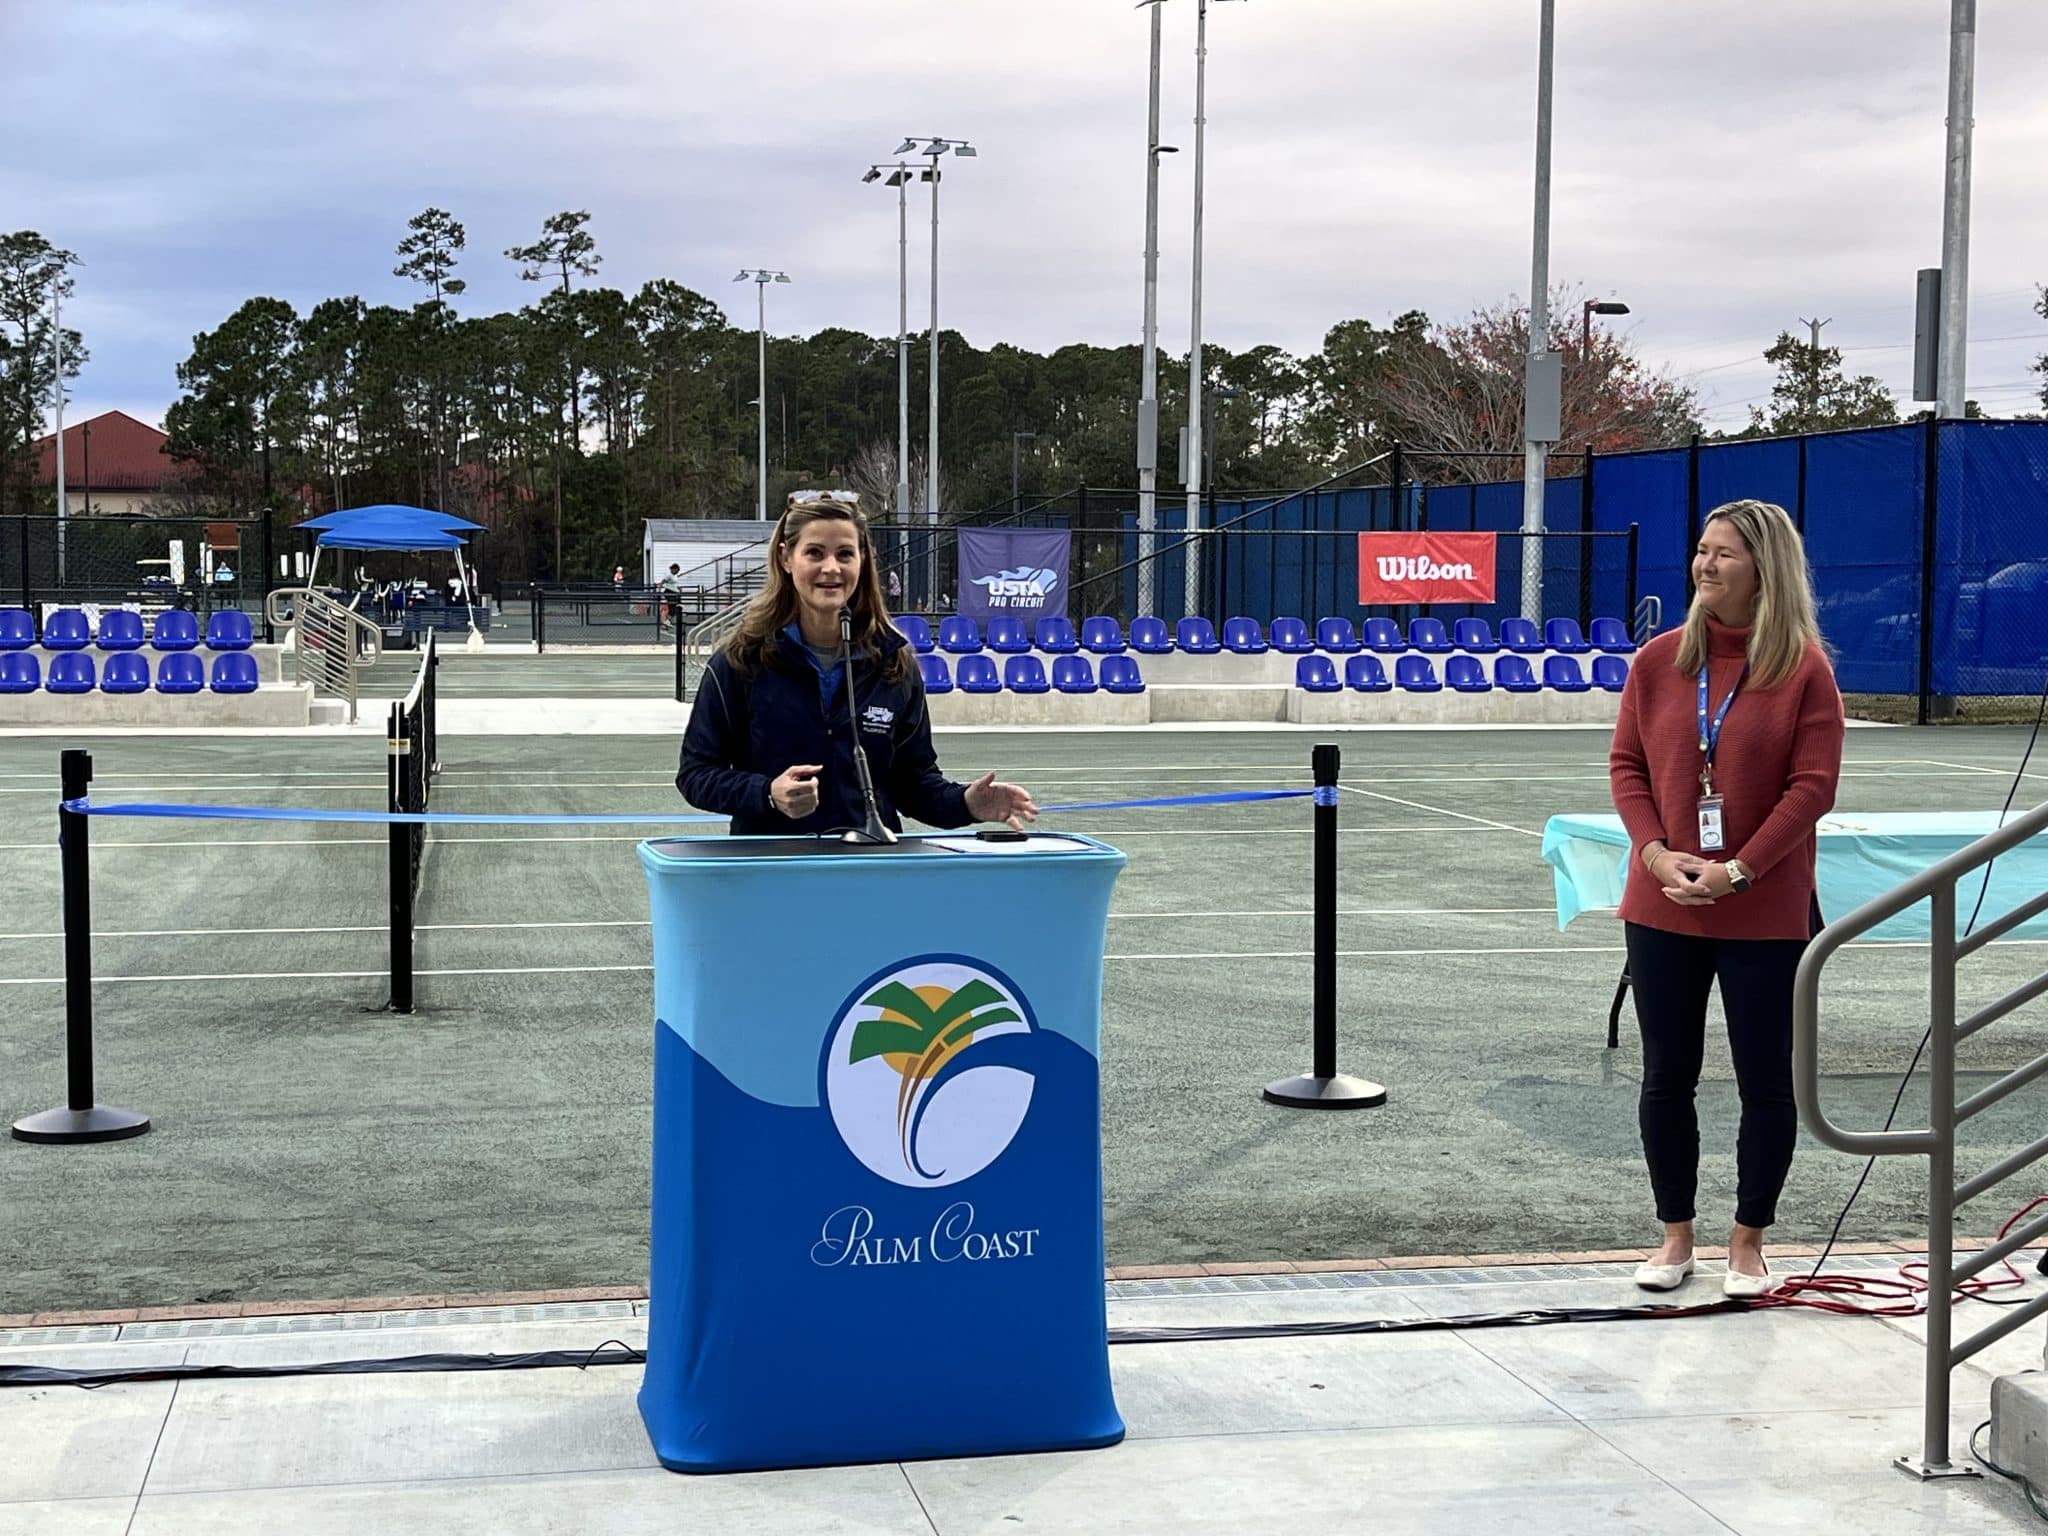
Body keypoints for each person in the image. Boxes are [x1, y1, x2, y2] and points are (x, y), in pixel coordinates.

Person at [1608, 498, 1844, 1299]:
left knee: (1764, 1082)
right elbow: (1627, 768)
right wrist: (1656, 853)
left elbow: (1813, 789)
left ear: (1764, 570)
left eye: (1726, 555)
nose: (1707, 566)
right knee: (1666, 1077)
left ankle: (1748, 1241)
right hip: (1663, 901)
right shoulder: (1658, 661)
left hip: (1764, 911)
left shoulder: (1804, 668)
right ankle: (1675, 1238)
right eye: (1703, 552)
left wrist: (1739, 870)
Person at [678, 498, 1036, 837]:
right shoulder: (740, 661)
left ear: (862, 560)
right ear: (787, 558)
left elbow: (911, 784)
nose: (831, 568)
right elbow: (695, 774)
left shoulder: (895, 663)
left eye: (845, 554)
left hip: (870, 871)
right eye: (815, 553)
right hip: (771, 871)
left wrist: (965, 804)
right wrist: (767, 792)